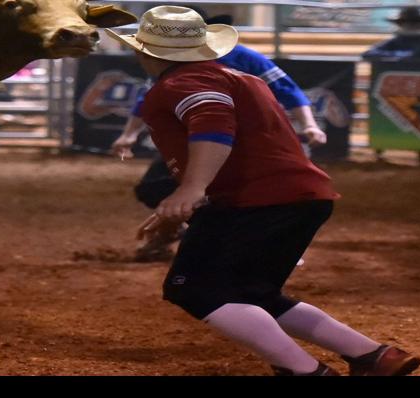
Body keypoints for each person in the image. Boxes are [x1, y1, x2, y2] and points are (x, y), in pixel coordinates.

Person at [107, 6, 420, 376]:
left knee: (192, 289)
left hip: (257, 201)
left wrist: (192, 188)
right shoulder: (237, 77)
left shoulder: (180, 84)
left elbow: (213, 124)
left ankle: (305, 371)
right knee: (252, 294)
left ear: (143, 50)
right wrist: (186, 199)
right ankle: (374, 356)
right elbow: (244, 147)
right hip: (298, 197)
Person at [111, 12, 329, 260]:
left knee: (202, 283)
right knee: (156, 188)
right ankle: (188, 228)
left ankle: (265, 241)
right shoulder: (178, 73)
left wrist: (192, 187)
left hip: (224, 146)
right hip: (210, 145)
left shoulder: (189, 74)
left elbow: (214, 121)